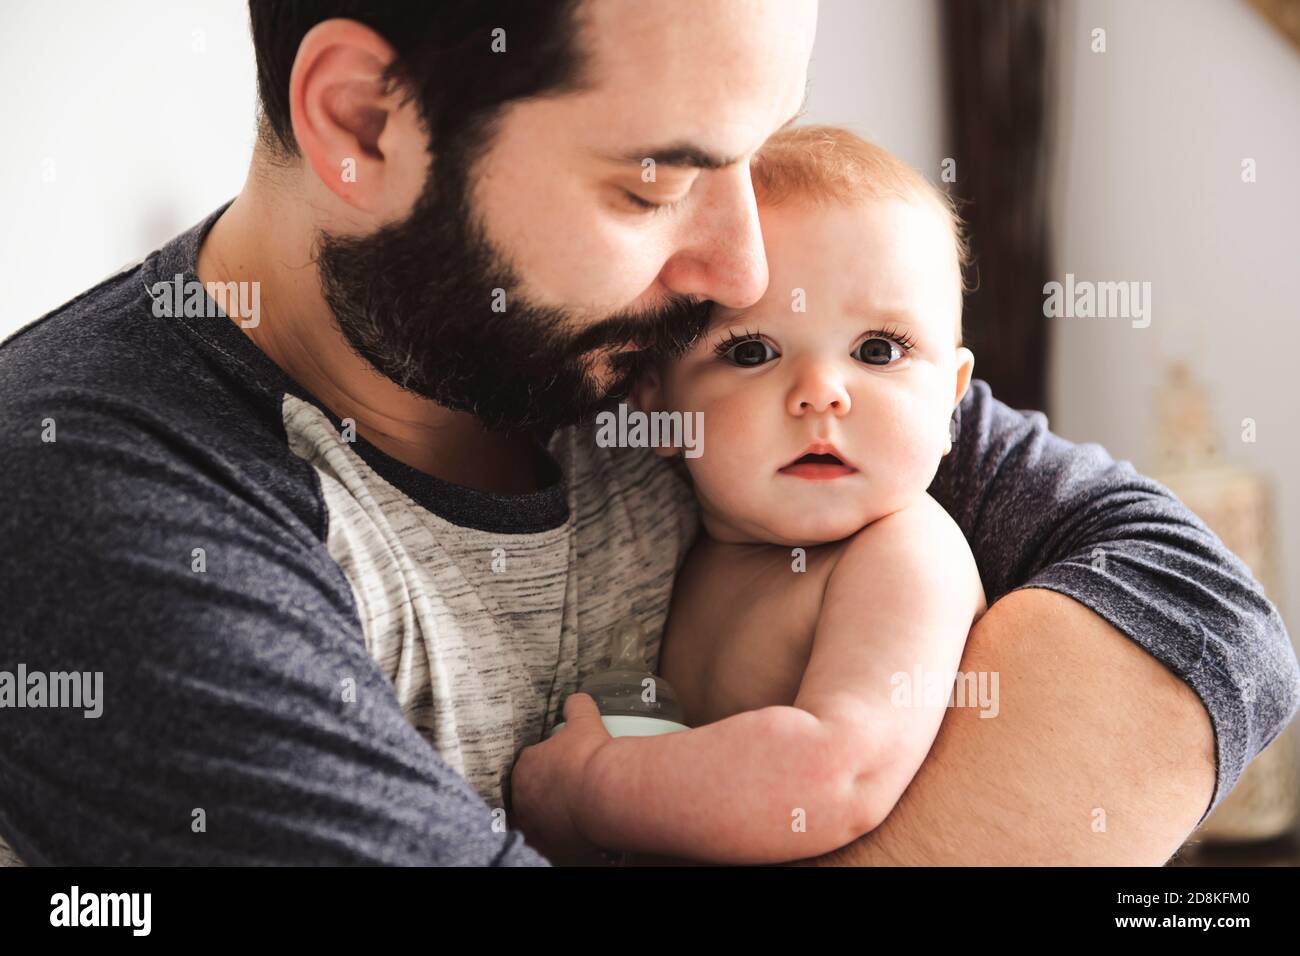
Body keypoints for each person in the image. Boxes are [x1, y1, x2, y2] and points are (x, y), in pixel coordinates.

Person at [0, 0, 1294, 866]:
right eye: (655, 181)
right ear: (363, 119)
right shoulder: (99, 505)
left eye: (751, 154)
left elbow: (1196, 615)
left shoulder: (677, 349)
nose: (740, 271)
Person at [510, 126, 989, 864]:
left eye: (879, 350)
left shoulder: (903, 557)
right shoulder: (679, 540)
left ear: (952, 401)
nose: (821, 394)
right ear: (656, 407)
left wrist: (597, 785)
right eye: (752, 351)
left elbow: (838, 774)